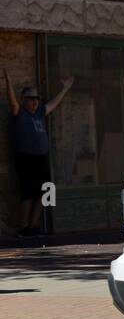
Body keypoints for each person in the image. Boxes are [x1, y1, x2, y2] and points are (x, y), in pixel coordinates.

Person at [6, 70, 74, 236]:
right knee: (28, 193)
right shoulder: (20, 113)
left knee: (44, 192)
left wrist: (64, 89)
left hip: (41, 158)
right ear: (24, 100)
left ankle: (33, 225)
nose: (35, 101)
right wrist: (8, 81)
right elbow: (12, 101)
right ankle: (24, 227)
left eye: (37, 98)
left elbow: (54, 104)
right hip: (26, 159)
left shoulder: (39, 113)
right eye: (31, 98)